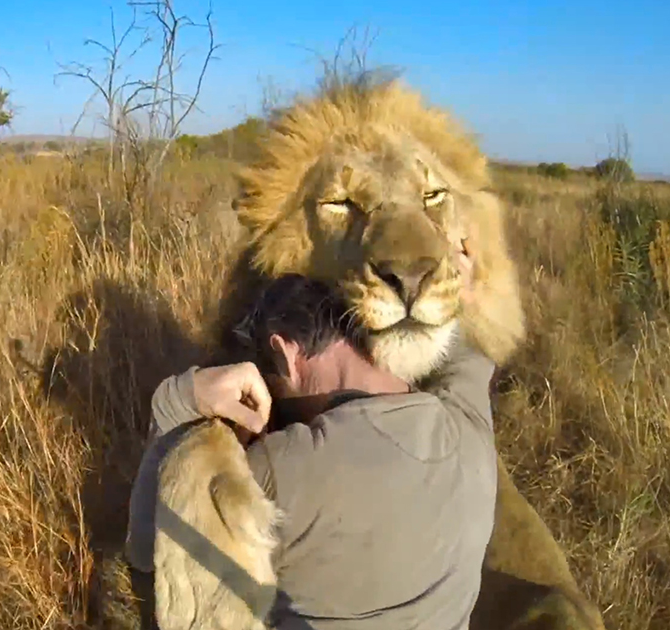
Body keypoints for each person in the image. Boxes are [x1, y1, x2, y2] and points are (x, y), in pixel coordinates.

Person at [126, 239, 498, 630]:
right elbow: (471, 348)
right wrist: (453, 279)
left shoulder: (279, 472)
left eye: (270, 380)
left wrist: (179, 400)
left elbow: (155, 563)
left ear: (285, 352)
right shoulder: (470, 427)